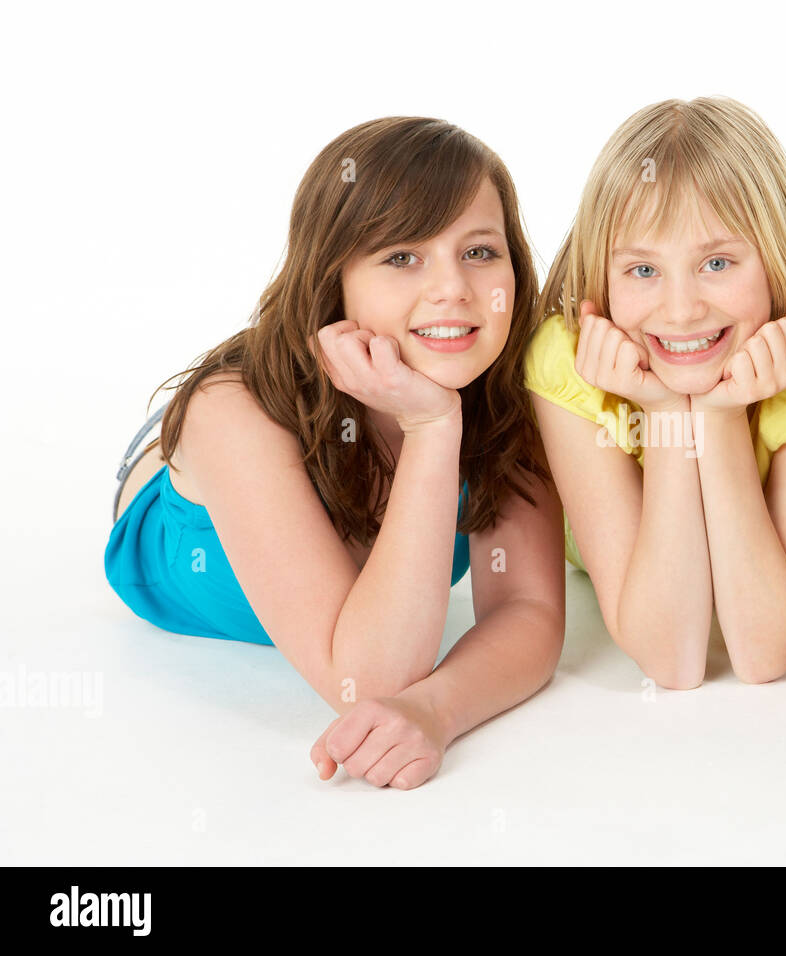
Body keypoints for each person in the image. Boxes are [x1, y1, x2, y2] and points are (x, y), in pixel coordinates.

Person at [105, 117, 565, 790]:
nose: (454, 290)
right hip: (194, 469)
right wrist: (434, 427)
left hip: (364, 407)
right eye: (402, 257)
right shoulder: (235, 412)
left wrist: (435, 709)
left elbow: (530, 611)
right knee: (219, 413)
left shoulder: (501, 386)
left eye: (480, 251)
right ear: (335, 279)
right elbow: (368, 680)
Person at [524, 96, 786, 689]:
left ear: (778, 262)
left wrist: (718, 416)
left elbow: (763, 652)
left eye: (718, 263)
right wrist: (662, 412)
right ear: (602, 279)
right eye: (643, 271)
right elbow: (671, 661)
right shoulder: (567, 360)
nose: (681, 311)